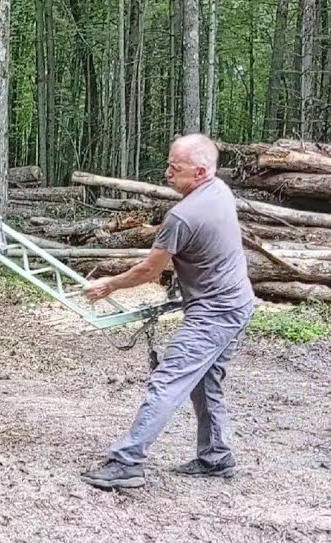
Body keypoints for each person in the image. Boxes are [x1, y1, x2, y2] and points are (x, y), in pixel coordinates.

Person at [79, 133, 255, 490]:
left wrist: (108, 284)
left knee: (167, 381)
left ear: (201, 171)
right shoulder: (219, 190)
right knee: (205, 383)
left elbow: (149, 271)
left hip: (215, 312)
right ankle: (215, 457)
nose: (167, 173)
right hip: (238, 303)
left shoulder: (183, 216)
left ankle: (127, 462)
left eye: (176, 168)